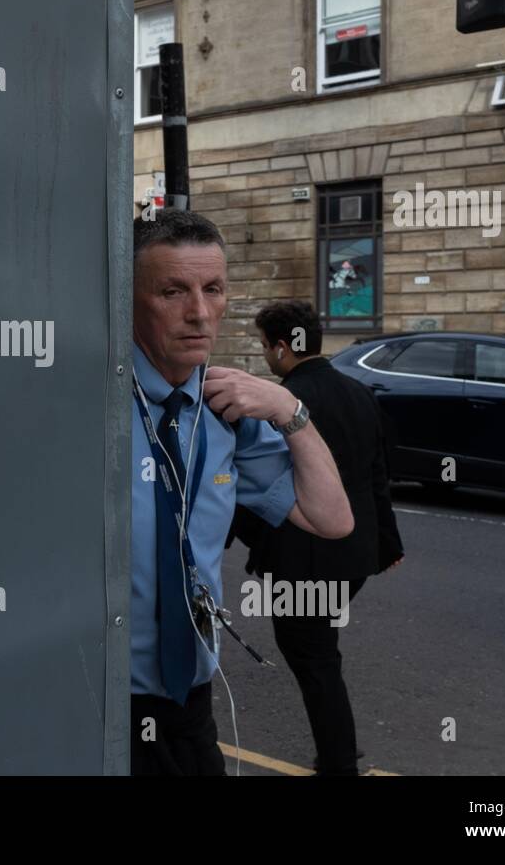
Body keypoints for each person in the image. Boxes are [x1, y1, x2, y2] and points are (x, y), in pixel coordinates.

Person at [129, 210, 354, 776]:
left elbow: (332, 519)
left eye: (214, 289)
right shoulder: (85, 404)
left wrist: (290, 410)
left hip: (192, 700)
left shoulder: (230, 411)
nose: (199, 312)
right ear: (128, 297)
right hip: (97, 698)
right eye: (172, 291)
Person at [231, 299, 404, 776]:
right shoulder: (358, 392)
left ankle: (338, 762)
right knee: (321, 652)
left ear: (283, 347)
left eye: (266, 346)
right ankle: (339, 748)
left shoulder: (281, 407)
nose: (266, 356)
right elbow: (376, 475)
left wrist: (245, 541)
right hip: (353, 557)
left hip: (303, 559)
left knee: (313, 661)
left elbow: (257, 491)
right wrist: (388, 544)